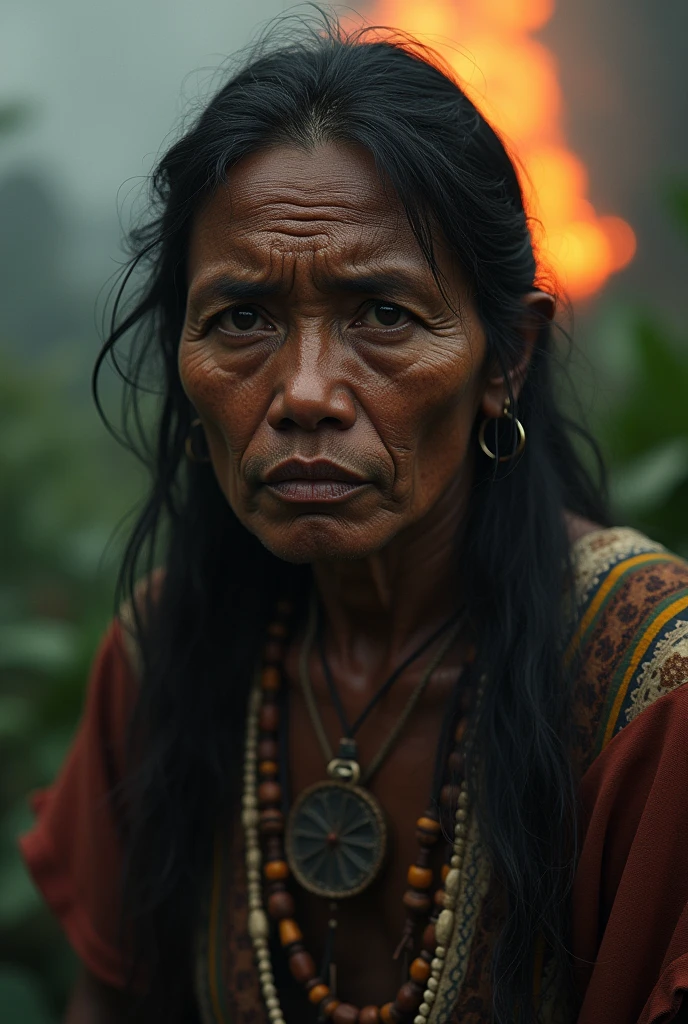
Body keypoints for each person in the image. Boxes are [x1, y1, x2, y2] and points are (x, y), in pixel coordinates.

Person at [19, 15, 688, 1024]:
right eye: (241, 318)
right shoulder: (165, 657)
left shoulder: (653, 690)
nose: (304, 393)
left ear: (504, 360)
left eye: (382, 315)